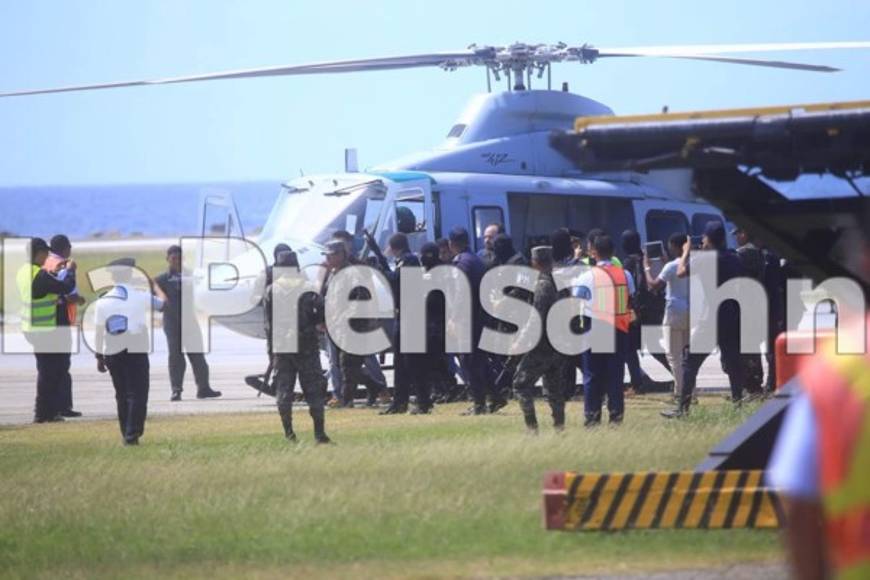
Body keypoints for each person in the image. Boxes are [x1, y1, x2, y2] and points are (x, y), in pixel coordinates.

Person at [661, 221, 746, 418]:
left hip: (711, 318)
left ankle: (683, 408)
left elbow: (681, 272)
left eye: (705, 238)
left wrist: (686, 252)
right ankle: (738, 405)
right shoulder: (735, 258)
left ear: (709, 239)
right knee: (733, 363)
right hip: (731, 316)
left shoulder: (705, 259)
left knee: (690, 362)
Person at [93, 257, 167, 445]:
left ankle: (126, 431)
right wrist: (154, 285)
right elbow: (163, 304)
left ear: (113, 277)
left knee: (121, 394)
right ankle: (132, 434)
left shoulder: (103, 301)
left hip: (112, 349)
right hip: (135, 347)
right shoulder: (140, 296)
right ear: (131, 274)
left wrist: (99, 356)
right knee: (138, 393)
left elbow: (99, 331)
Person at [263, 249, 331, 444]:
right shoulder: (308, 288)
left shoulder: (271, 290)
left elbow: (268, 325)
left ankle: (289, 433)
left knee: (284, 391)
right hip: (307, 346)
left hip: (282, 348)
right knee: (314, 390)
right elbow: (322, 315)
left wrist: (271, 352)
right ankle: (319, 433)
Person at [572, 234, 634, 425]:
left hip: (596, 327)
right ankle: (616, 416)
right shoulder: (625, 275)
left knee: (593, 375)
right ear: (613, 252)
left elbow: (576, 298)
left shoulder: (586, 276)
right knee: (615, 375)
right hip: (619, 329)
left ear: (593, 252)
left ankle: (592, 418)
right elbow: (630, 296)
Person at [324, 231, 388, 407]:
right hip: (334, 327)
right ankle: (374, 386)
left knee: (349, 364)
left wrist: (346, 319)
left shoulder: (353, 274)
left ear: (340, 255)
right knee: (340, 364)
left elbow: (361, 298)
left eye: (330, 255)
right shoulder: (332, 274)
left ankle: (347, 400)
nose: (327, 259)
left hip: (352, 327)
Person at [17, 237, 77, 423]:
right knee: (49, 372)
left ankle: (48, 411)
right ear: (38, 253)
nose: (47, 257)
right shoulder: (40, 275)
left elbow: (44, 288)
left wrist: (56, 273)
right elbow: (65, 287)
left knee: (48, 370)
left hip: (30, 327)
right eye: (45, 253)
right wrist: (70, 271)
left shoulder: (24, 271)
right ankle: (44, 413)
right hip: (43, 329)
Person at [511, 246, 569, 433]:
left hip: (542, 346)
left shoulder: (543, 285)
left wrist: (521, 342)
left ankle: (532, 428)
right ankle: (559, 427)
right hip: (558, 343)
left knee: (520, 384)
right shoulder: (560, 282)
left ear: (535, 262)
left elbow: (536, 318)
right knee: (554, 389)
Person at [449, 226, 506, 415]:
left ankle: (479, 403)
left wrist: (454, 318)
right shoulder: (475, 259)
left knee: (469, 362)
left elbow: (461, 293)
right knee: (479, 360)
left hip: (468, 318)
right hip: (480, 316)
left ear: (452, 244)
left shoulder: (462, 263)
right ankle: (495, 397)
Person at [154, 245, 221, 401]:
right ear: (167, 259)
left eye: (179, 258)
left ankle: (204, 388)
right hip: (172, 324)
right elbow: (154, 300)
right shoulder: (161, 280)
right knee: (176, 357)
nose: (176, 261)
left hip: (190, 322)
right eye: (173, 258)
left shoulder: (192, 276)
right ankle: (176, 390)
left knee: (198, 356)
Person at [372, 232, 429, 415]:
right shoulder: (402, 261)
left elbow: (397, 280)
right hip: (402, 315)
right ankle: (399, 402)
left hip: (411, 316)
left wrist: (381, 269)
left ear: (394, 247)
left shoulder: (409, 260)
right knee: (400, 363)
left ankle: (423, 401)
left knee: (413, 362)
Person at [644, 233, 690, 400]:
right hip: (691, 310)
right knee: (687, 355)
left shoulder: (671, 266)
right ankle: (690, 390)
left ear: (677, 247)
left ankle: (680, 393)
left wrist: (646, 268)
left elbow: (654, 285)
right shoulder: (692, 264)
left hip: (674, 311)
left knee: (673, 355)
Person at [46, 234, 85, 417]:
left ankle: (51, 405)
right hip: (60, 318)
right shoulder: (64, 265)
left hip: (45, 319)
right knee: (62, 365)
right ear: (65, 248)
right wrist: (80, 299)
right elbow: (68, 292)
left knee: (49, 366)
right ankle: (63, 406)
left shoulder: (45, 263)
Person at [620, 229, 655, 394]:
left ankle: (637, 382)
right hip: (649, 309)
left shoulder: (627, 262)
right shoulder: (644, 259)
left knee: (629, 349)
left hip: (632, 311)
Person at [732, 227, 766, 397]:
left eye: (737, 234)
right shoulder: (760, 253)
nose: (736, 238)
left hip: (744, 304)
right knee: (752, 346)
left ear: (744, 234)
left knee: (745, 348)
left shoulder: (742, 254)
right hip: (756, 303)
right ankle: (755, 385)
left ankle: (750, 387)